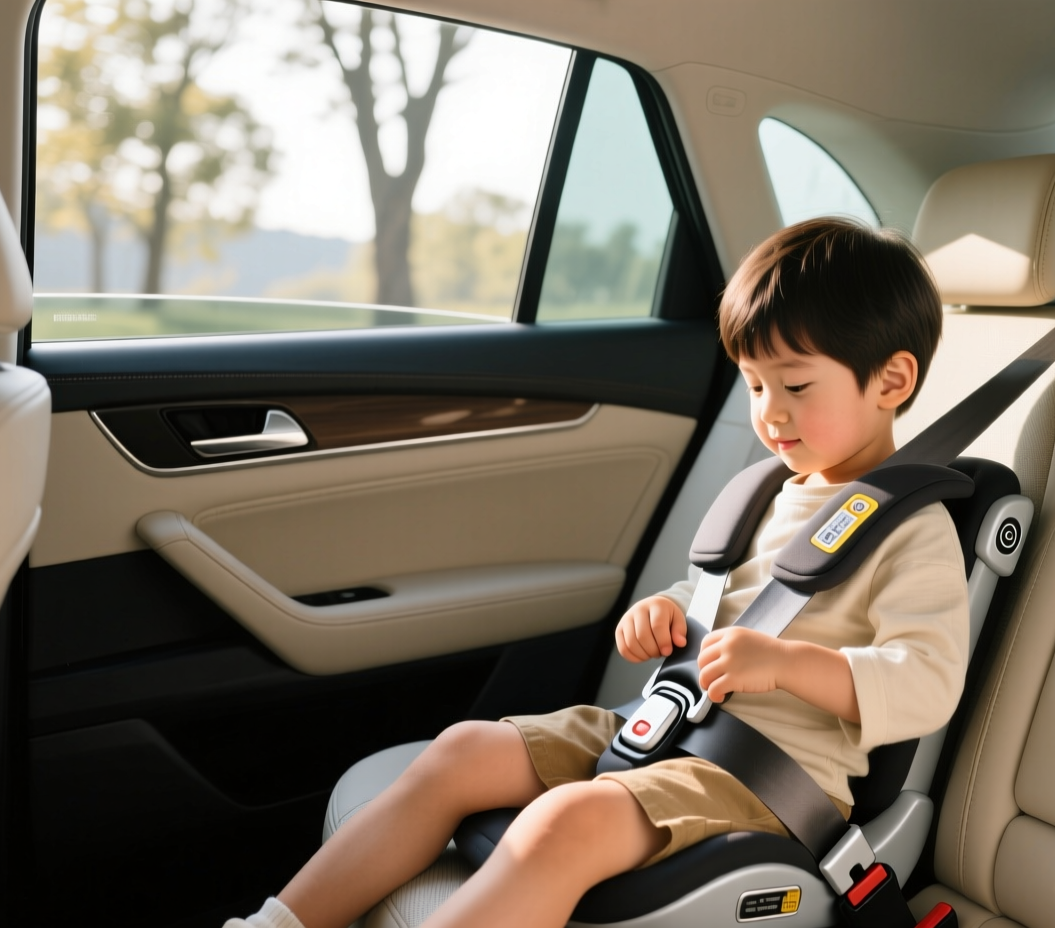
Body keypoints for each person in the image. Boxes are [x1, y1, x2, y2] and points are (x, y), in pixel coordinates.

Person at [226, 217, 972, 928]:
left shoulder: (912, 530)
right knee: (461, 749)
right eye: (753, 386)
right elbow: (723, 601)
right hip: (667, 730)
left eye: (796, 387)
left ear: (891, 381)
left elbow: (925, 683)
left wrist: (785, 664)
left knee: (564, 819)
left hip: (769, 778)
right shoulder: (770, 494)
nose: (770, 413)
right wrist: (667, 612)